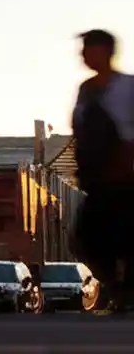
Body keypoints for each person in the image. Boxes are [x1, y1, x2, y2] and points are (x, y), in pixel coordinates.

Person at [71, 29, 134, 311]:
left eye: (88, 48)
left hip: (126, 178)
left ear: (106, 51)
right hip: (97, 182)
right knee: (87, 239)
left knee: (126, 239)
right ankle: (118, 289)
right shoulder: (86, 89)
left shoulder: (127, 88)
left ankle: (126, 294)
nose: (83, 54)